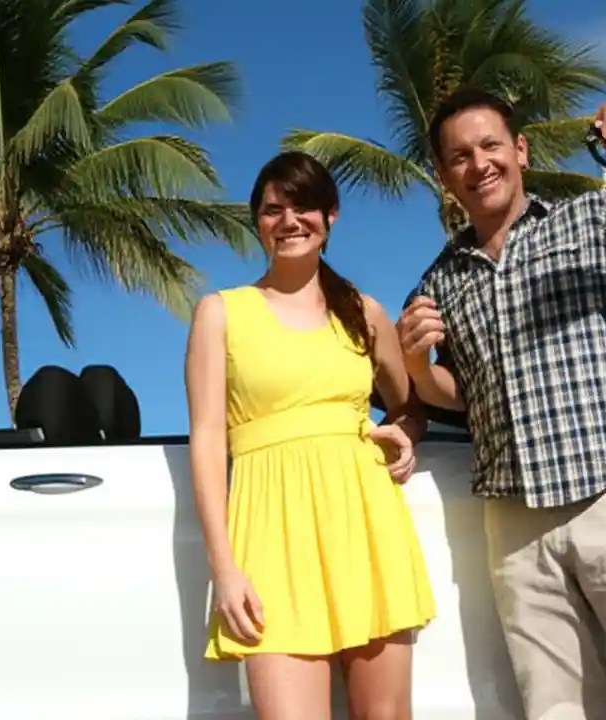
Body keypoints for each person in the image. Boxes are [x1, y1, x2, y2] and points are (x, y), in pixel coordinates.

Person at [396, 87, 606, 720]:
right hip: (516, 516)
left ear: (520, 150)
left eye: (491, 145)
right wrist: (416, 366)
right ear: (446, 177)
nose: (480, 164)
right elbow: (461, 397)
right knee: (557, 710)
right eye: (460, 156)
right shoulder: (439, 279)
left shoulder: (587, 221)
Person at [185, 150, 437, 719]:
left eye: (303, 208)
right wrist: (224, 568)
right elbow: (206, 441)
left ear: (331, 217)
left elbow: (409, 406)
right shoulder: (220, 312)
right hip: (271, 538)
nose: (289, 221)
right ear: (257, 222)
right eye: (273, 210)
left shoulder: (366, 313)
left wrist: (404, 433)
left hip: (366, 525)